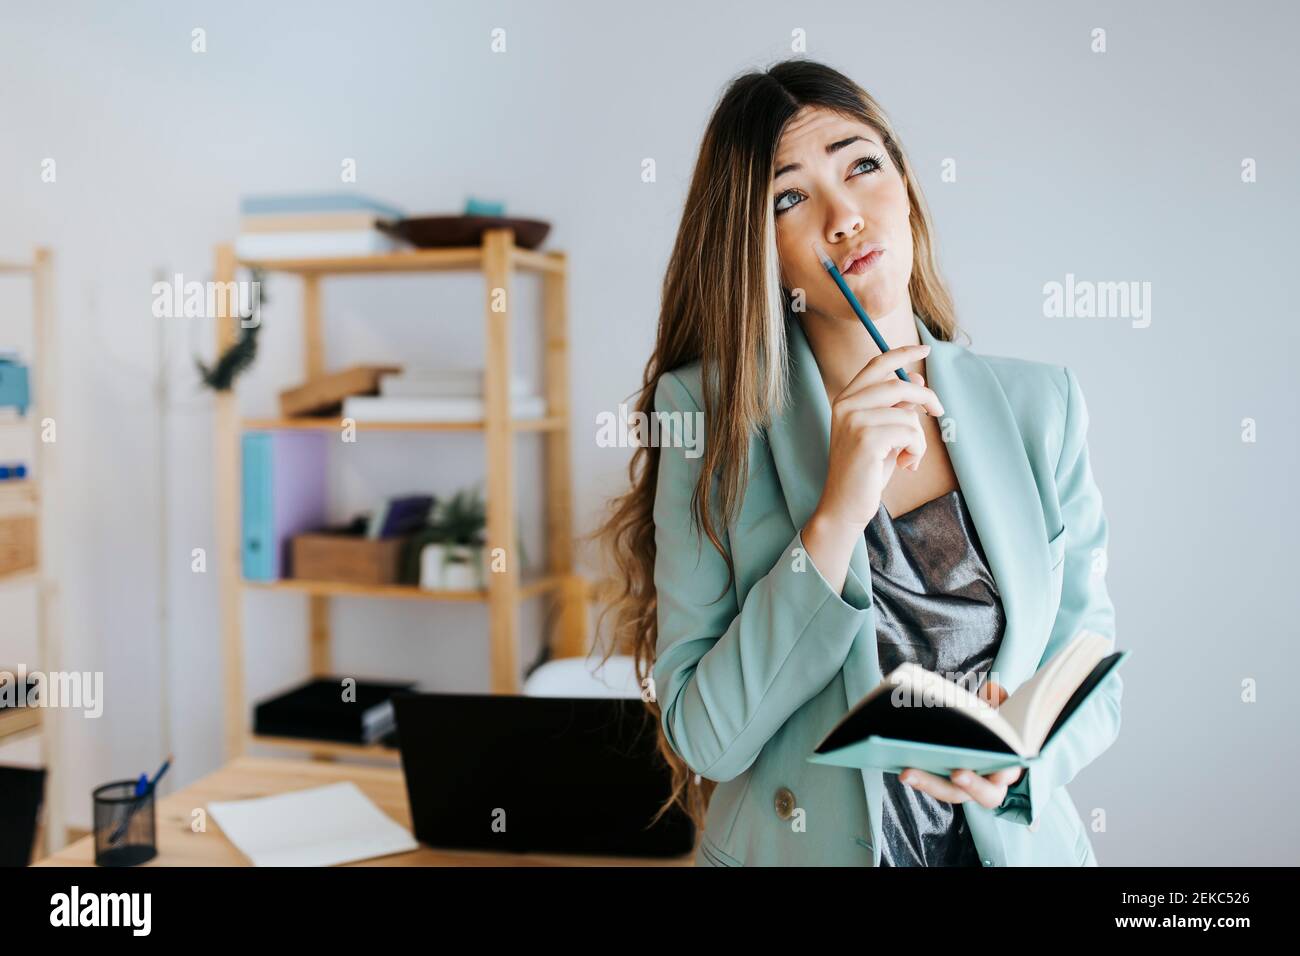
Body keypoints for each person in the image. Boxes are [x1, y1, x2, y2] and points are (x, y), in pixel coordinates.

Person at [590, 58, 1121, 866]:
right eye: (791, 197)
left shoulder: (1041, 407)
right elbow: (705, 737)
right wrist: (835, 516)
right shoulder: (706, 414)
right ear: (756, 246)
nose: (844, 216)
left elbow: (1094, 681)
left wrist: (1021, 772)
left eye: (861, 165)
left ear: (905, 182)